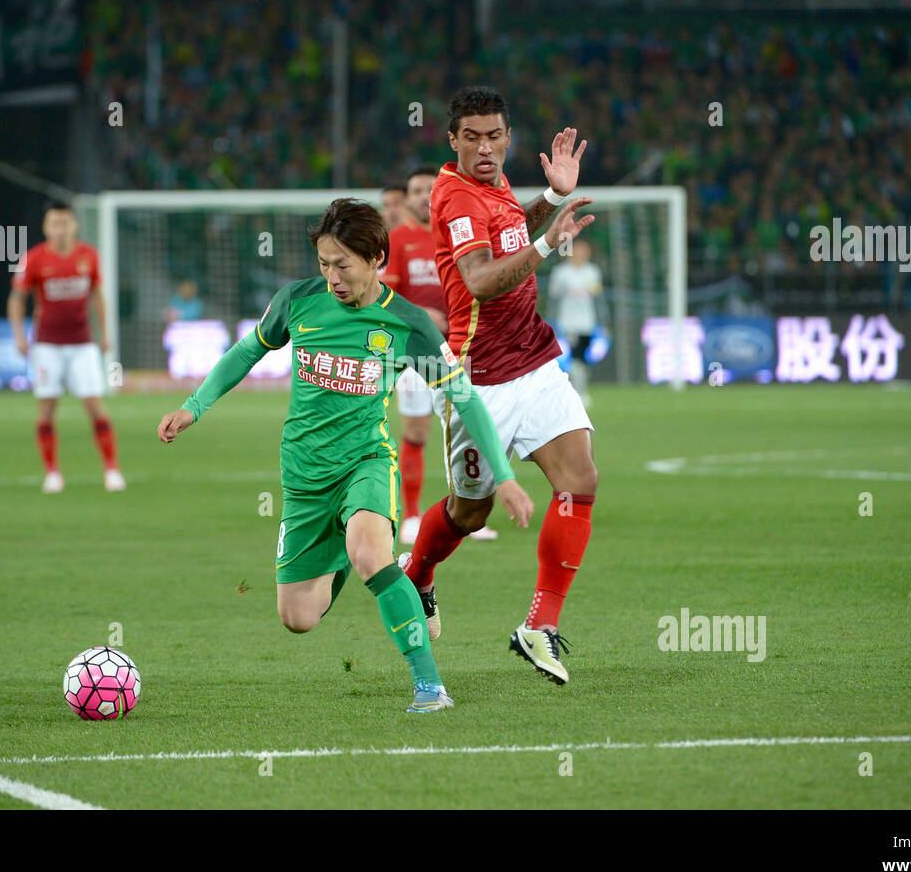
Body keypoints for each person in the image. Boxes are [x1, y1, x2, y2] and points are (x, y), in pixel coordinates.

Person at [156, 198, 533, 712]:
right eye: (324, 263)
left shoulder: (407, 324)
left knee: (369, 552)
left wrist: (504, 476)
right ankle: (380, 570)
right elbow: (248, 350)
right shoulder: (298, 301)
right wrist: (193, 407)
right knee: (298, 617)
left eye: (343, 264)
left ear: (377, 259)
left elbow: (463, 397)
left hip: (366, 462)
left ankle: (430, 686)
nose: (332, 276)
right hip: (304, 475)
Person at [404, 86, 597, 685]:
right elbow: (483, 281)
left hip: (534, 360)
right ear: (453, 140)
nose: (484, 148)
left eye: (494, 136)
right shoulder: (456, 196)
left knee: (580, 480)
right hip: (479, 376)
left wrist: (549, 199)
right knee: (468, 512)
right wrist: (547, 242)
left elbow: (512, 234)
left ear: (509, 138)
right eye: (472, 137)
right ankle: (417, 577)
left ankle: (538, 625)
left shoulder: (498, 185)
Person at [383, 166, 497, 550]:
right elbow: (386, 298)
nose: (421, 196)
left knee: (469, 431)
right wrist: (419, 313)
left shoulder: (460, 234)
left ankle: (469, 510)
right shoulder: (398, 240)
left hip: (463, 348)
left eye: (428, 189)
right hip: (418, 351)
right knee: (416, 433)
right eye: (414, 190)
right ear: (407, 198)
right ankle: (412, 515)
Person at [8, 202, 125, 493]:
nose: (60, 230)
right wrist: (19, 336)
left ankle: (111, 470)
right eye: (54, 224)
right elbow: (17, 299)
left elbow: (99, 296)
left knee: (95, 405)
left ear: (74, 225)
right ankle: (52, 473)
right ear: (46, 227)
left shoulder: (89, 256)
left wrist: (105, 333)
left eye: (65, 223)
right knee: (46, 408)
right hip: (46, 344)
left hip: (82, 343)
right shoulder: (33, 259)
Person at [547, 238, 604, 407]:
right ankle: (578, 391)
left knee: (583, 357)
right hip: (568, 321)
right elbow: (554, 295)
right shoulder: (561, 272)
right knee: (576, 356)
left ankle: (579, 389)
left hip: (587, 321)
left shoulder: (592, 271)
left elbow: (596, 293)